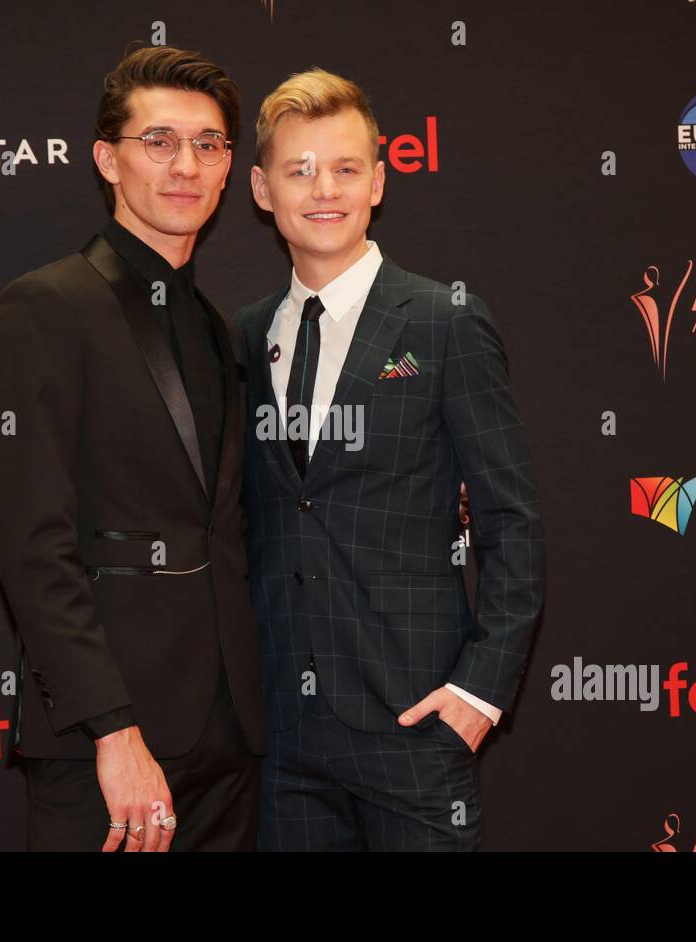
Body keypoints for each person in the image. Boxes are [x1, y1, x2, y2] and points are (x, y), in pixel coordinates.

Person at [236, 68, 546, 850]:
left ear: (378, 180)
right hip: (283, 739)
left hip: (415, 723)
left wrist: (480, 691)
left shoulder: (445, 322)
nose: (323, 189)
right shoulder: (241, 337)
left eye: (345, 168)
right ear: (262, 190)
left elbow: (511, 520)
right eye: (298, 170)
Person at [0, 45, 265, 852]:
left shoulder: (217, 327)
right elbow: (34, 543)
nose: (186, 167)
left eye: (208, 145)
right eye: (159, 142)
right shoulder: (48, 306)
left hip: (229, 734)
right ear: (108, 159)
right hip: (111, 742)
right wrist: (112, 731)